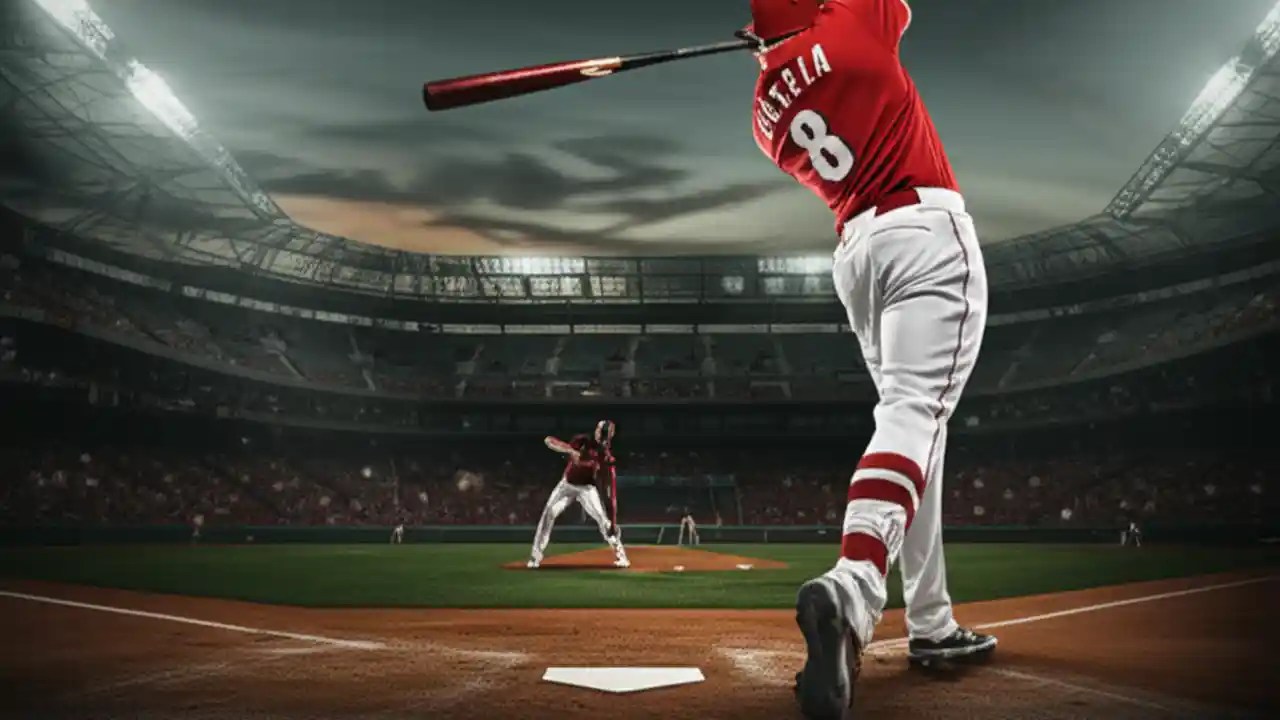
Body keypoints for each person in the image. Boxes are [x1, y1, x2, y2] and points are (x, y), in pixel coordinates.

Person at [743, 2, 995, 716]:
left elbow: (801, 64)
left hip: (856, 255)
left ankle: (931, 622)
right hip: (922, 232)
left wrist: (777, 47)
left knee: (916, 430)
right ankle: (854, 587)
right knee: (915, 417)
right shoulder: (851, 25)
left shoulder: (763, 115)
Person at [527, 420, 630, 569]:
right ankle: (535, 556)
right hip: (567, 485)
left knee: (603, 519)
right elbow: (549, 440)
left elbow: (611, 491)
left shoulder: (606, 457)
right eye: (601, 432)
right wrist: (570, 450)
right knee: (549, 512)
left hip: (587, 489)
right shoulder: (582, 441)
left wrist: (613, 522)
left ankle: (621, 555)